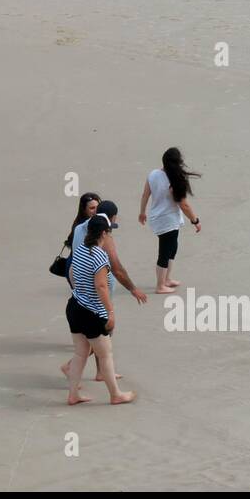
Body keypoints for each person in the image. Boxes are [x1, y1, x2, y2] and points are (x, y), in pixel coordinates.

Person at [61, 198, 148, 383]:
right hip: (97, 287)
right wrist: (133, 289)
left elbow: (74, 259)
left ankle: (95, 371)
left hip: (79, 282)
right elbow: (116, 268)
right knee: (101, 331)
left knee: (90, 333)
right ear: (112, 217)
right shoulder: (103, 236)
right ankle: (86, 370)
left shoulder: (80, 227)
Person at [138, 147, 201, 294]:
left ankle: (166, 279)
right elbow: (184, 205)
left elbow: (145, 195)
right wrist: (195, 220)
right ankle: (160, 285)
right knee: (165, 252)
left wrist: (142, 212)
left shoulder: (153, 174)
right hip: (167, 221)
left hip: (159, 218)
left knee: (173, 247)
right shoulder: (176, 180)